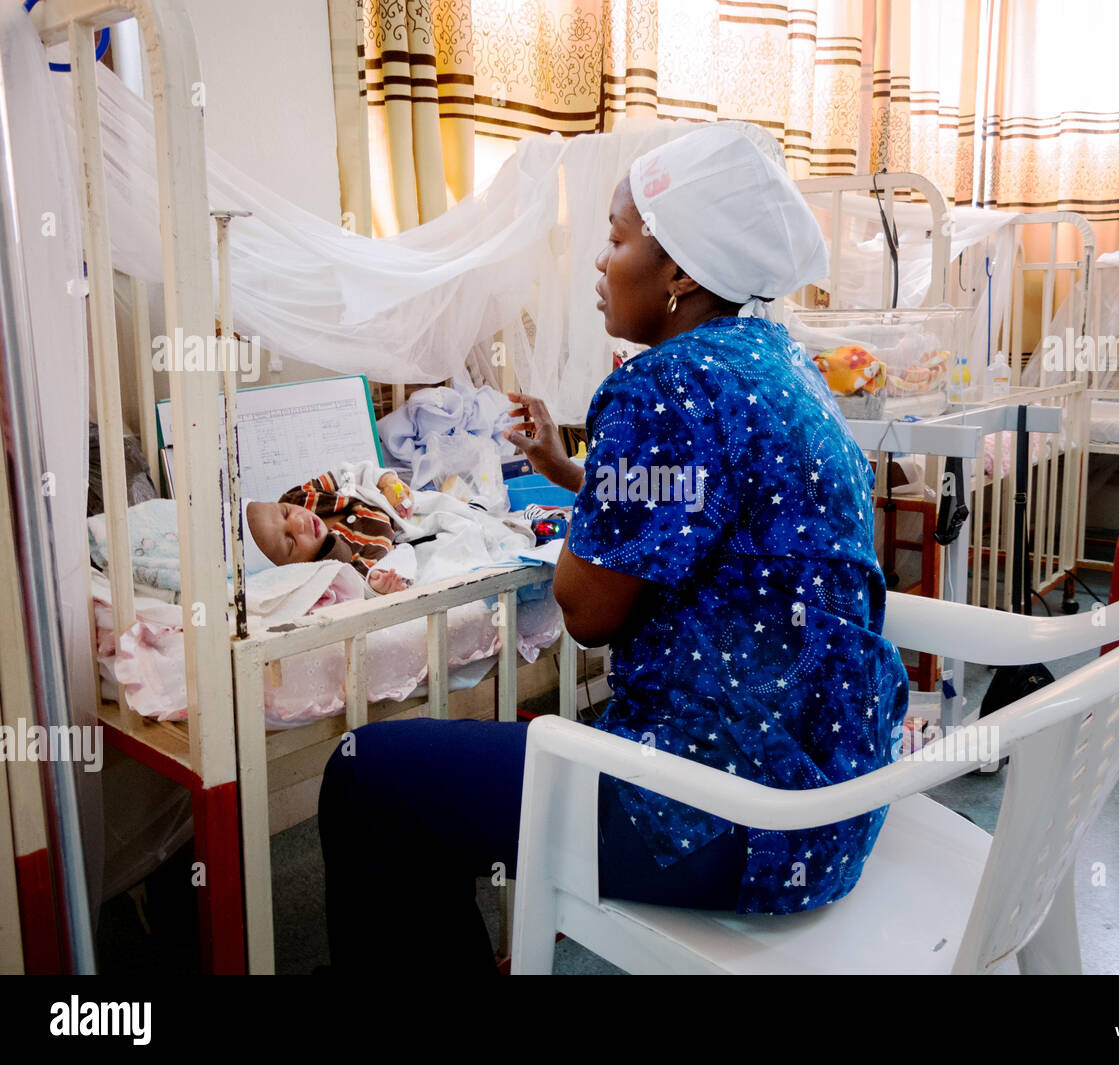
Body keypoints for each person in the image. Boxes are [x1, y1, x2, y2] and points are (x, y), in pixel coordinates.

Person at [317, 124, 910, 973]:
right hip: (831, 789)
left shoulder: (658, 385)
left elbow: (585, 612)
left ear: (680, 273)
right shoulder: (781, 359)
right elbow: (713, 503)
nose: (600, 262)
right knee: (457, 775)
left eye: (618, 237)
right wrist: (577, 475)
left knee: (365, 776)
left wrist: (583, 520)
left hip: (716, 813)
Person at [242, 466, 414, 594]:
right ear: (294, 567)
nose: (298, 522)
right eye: (290, 540)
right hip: (409, 528)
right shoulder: (338, 564)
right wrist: (376, 586)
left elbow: (349, 474)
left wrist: (388, 481)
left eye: (285, 512)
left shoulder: (303, 498)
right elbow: (357, 587)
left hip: (391, 495)